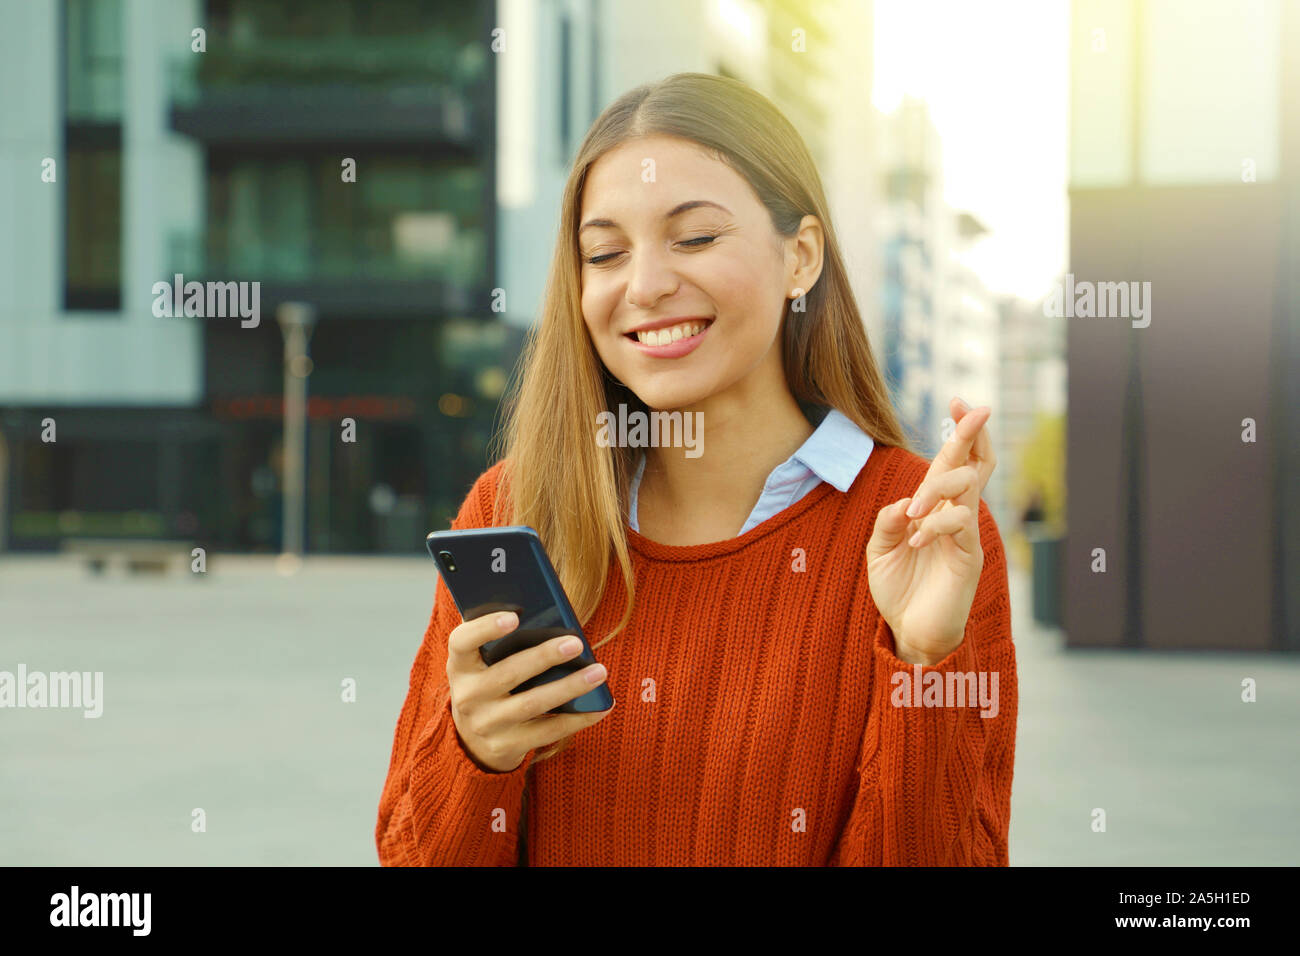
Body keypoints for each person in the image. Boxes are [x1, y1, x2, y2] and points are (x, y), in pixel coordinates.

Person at [376, 72, 1017, 866]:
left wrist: (924, 669)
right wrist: (477, 756)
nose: (644, 286)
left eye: (696, 237)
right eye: (605, 253)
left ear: (801, 258)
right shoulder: (516, 508)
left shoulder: (921, 528)